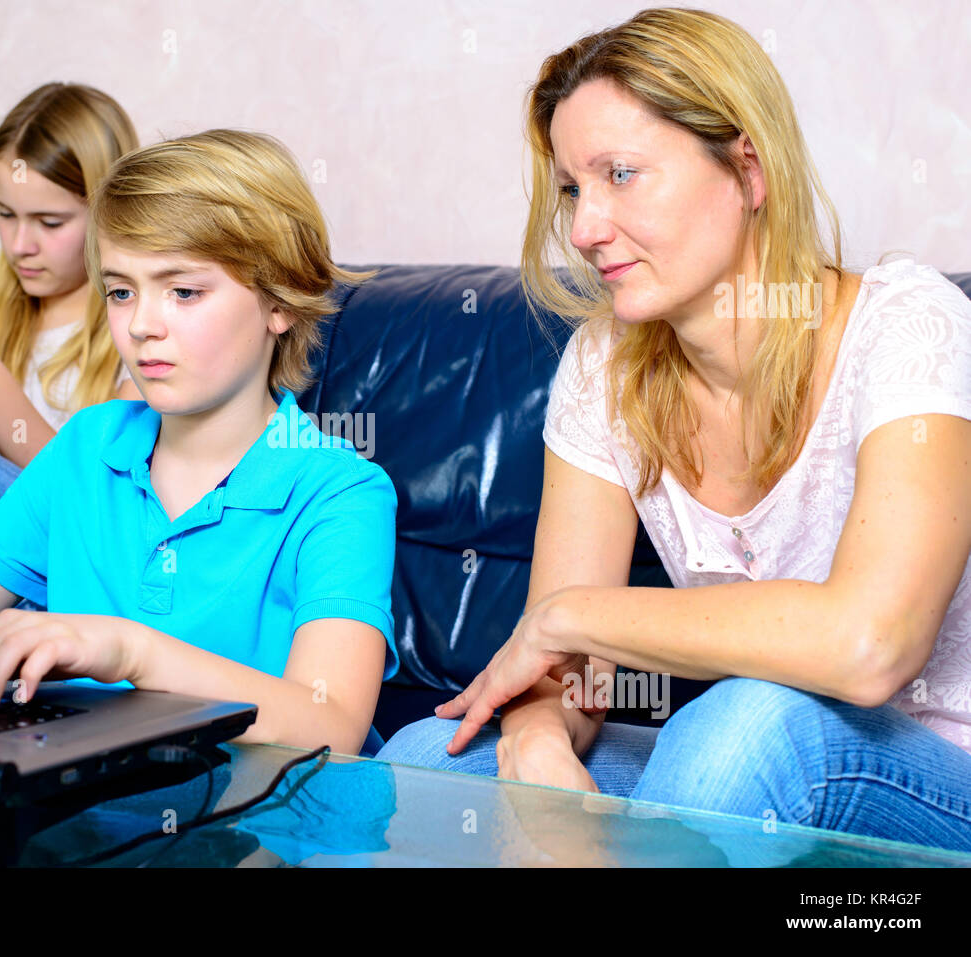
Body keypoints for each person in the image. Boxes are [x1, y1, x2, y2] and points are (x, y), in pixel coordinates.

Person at [377, 7, 971, 853]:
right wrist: (542, 734)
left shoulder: (909, 324)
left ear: (748, 169)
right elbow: (563, 659)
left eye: (621, 174)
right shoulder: (604, 365)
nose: (583, 229)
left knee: (747, 719)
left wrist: (569, 618)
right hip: (745, 768)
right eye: (575, 189)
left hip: (938, 785)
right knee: (432, 757)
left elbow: (872, 646)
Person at [0, 129, 399, 757]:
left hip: (258, 832)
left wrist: (128, 649)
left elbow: (331, 726)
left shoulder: (341, 491)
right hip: (81, 812)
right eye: (120, 290)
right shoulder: (87, 446)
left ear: (280, 303)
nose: (140, 326)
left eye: (183, 291)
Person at [0, 82, 144, 555]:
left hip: (80, 556)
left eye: (50, 222)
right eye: (5, 214)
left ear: (108, 212)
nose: (20, 245)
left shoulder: (143, 325)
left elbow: (91, 497)